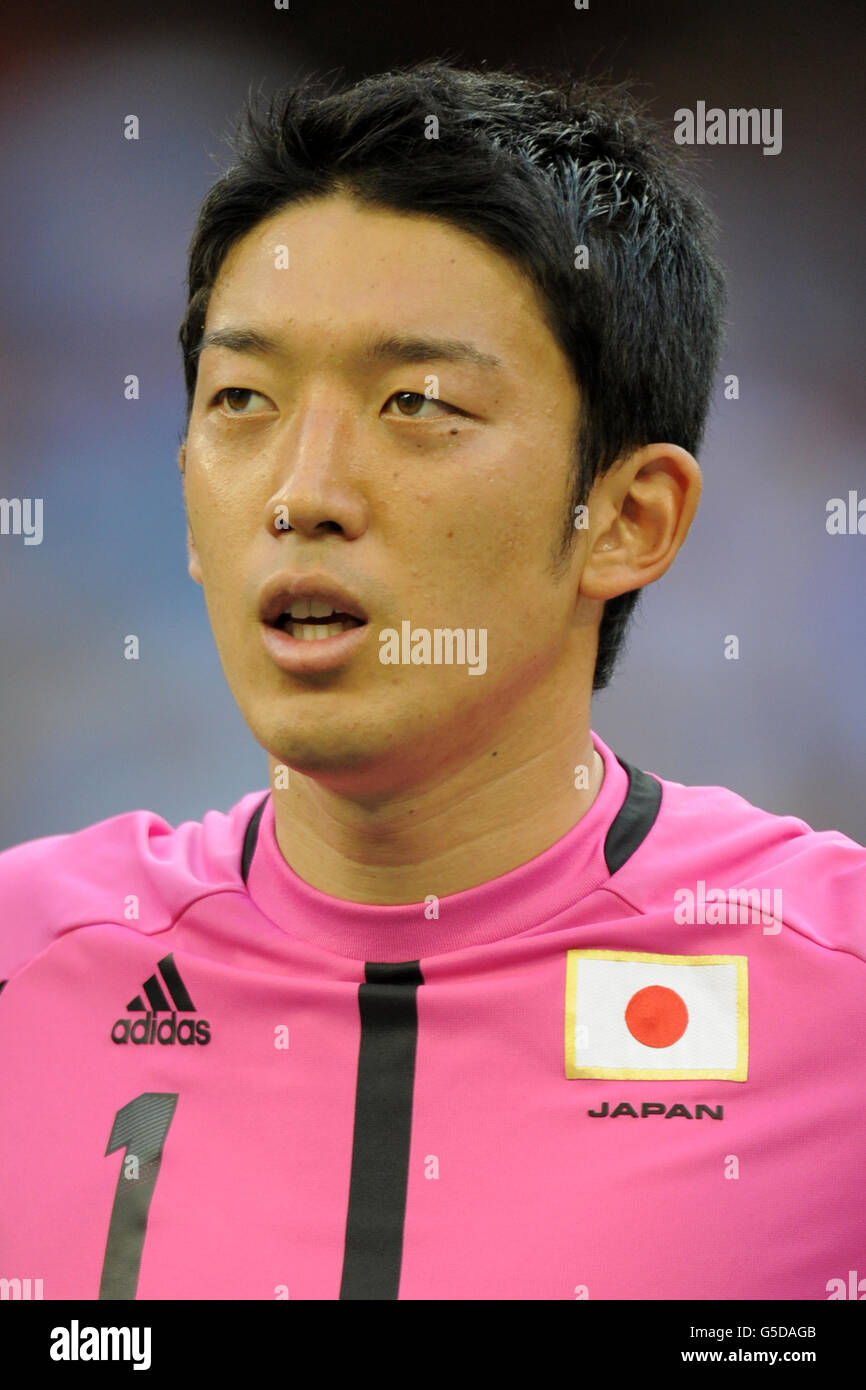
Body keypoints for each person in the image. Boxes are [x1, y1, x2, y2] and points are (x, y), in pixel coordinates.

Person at [1, 59, 862, 1302]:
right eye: (241, 399)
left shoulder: (833, 997)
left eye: (418, 401)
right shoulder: (30, 965)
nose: (303, 493)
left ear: (627, 516)